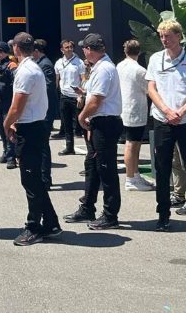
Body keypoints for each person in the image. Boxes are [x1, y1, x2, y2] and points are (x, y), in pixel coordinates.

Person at [145, 20, 186, 239]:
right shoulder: (156, 59)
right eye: (161, 36)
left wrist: (180, 112)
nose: (164, 40)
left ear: (179, 36)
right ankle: (163, 215)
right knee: (162, 169)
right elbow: (151, 87)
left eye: (168, 36)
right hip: (162, 120)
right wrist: (165, 109)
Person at [2, 33, 61, 246]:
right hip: (34, 125)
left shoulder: (26, 71)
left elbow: (17, 106)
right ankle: (52, 223)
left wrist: (6, 123)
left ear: (17, 48)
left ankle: (34, 226)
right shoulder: (31, 67)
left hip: (30, 129)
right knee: (33, 179)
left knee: (30, 180)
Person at [64, 33, 123, 230]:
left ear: (90, 50)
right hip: (99, 122)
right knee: (93, 165)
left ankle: (110, 214)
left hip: (105, 122)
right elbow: (94, 96)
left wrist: (82, 117)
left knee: (106, 169)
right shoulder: (99, 67)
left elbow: (97, 101)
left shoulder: (104, 68)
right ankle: (88, 206)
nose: (83, 51)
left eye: (85, 48)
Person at [118, 40, 153, 192]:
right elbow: (148, 90)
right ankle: (130, 179)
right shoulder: (140, 70)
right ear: (139, 52)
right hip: (135, 111)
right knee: (132, 144)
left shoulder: (119, 66)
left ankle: (135, 175)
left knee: (134, 144)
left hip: (124, 109)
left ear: (125, 51)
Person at [32, 39, 57, 187]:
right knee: (40, 144)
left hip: (46, 110)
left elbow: (48, 87)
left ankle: (45, 179)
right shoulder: (39, 63)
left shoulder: (45, 64)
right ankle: (42, 176)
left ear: (36, 51)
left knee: (43, 145)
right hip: (42, 108)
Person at [0, 42, 18, 169]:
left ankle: (12, 157)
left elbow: (16, 82)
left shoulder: (11, 65)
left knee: (9, 129)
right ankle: (6, 153)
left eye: (0, 51)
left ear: (6, 52)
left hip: (8, 101)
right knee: (1, 129)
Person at [54, 39, 85, 155]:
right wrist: (57, 91)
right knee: (66, 123)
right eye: (66, 47)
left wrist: (81, 95)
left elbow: (83, 79)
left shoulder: (79, 62)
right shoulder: (58, 63)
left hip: (76, 96)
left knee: (80, 122)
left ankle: (90, 147)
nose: (69, 49)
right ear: (62, 50)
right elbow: (58, 79)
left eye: (71, 47)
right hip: (64, 96)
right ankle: (69, 147)